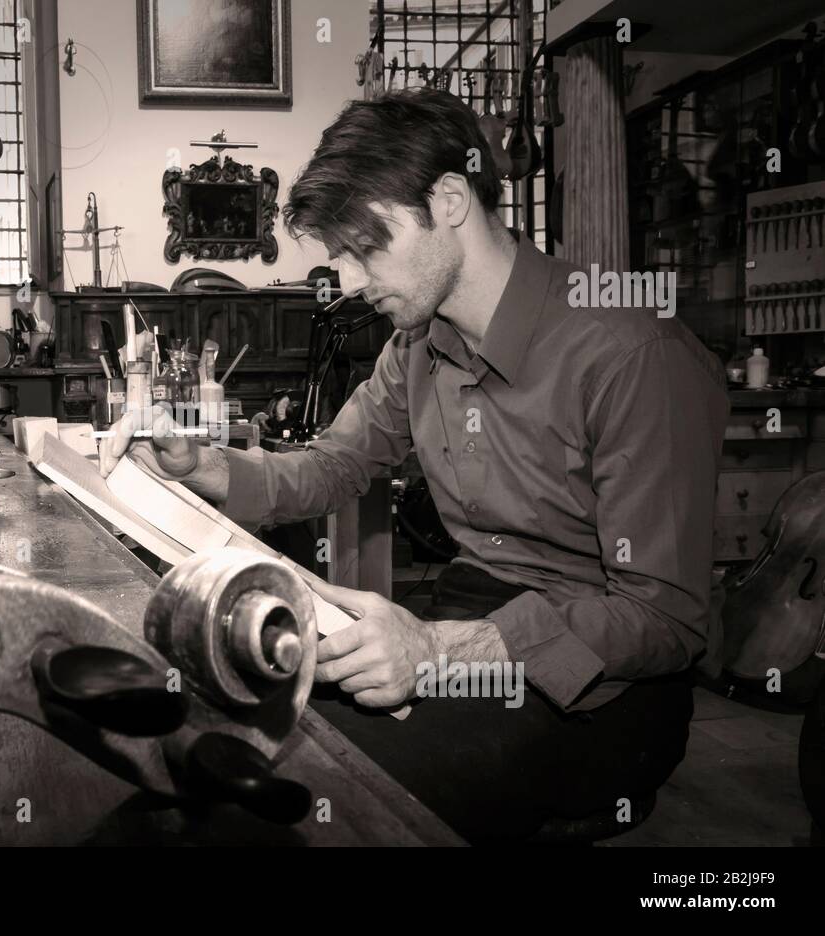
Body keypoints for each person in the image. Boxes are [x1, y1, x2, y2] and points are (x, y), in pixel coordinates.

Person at [101, 89, 730, 842]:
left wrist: (437, 652)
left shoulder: (633, 354)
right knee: (227, 729)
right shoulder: (417, 349)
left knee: (303, 798)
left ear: (452, 199)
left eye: (370, 246)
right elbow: (334, 466)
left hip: (603, 692)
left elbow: (662, 617)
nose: (358, 280)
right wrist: (201, 468)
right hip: (471, 624)